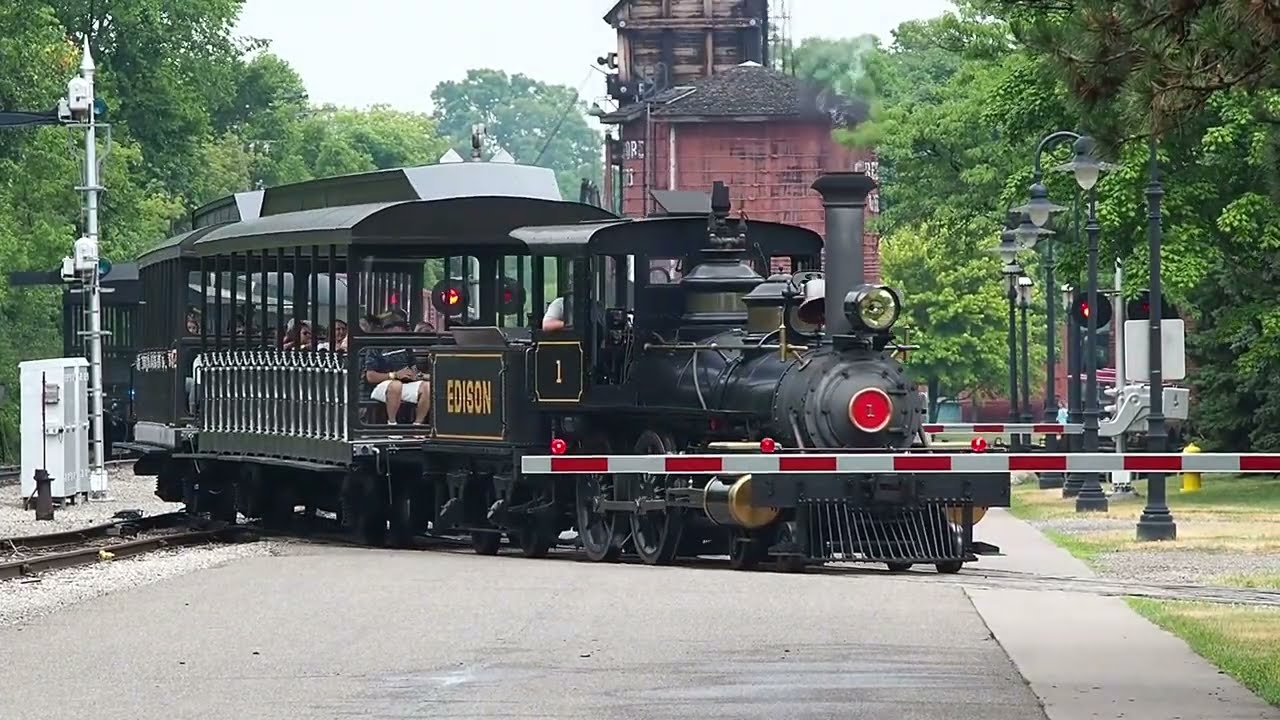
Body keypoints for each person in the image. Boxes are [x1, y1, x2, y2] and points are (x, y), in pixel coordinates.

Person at [362, 319, 429, 425]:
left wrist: (418, 376)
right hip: (381, 385)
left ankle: (417, 425)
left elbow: (414, 370)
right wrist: (395, 375)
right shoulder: (375, 347)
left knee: (427, 387)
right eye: (396, 328)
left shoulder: (406, 347)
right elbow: (370, 376)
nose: (399, 331)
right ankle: (392, 424)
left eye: (402, 328)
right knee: (395, 385)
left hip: (405, 384)